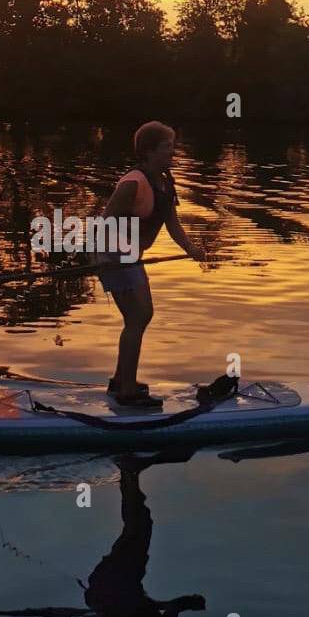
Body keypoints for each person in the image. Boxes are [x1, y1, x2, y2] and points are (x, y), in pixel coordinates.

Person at [97, 121, 206, 407]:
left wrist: (192, 249)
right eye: (167, 146)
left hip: (131, 256)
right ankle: (127, 391)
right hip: (114, 255)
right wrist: (103, 260)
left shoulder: (165, 182)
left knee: (141, 316)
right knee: (138, 316)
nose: (173, 151)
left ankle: (121, 380)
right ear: (148, 151)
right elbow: (105, 223)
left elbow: (172, 223)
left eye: (172, 145)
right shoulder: (133, 182)